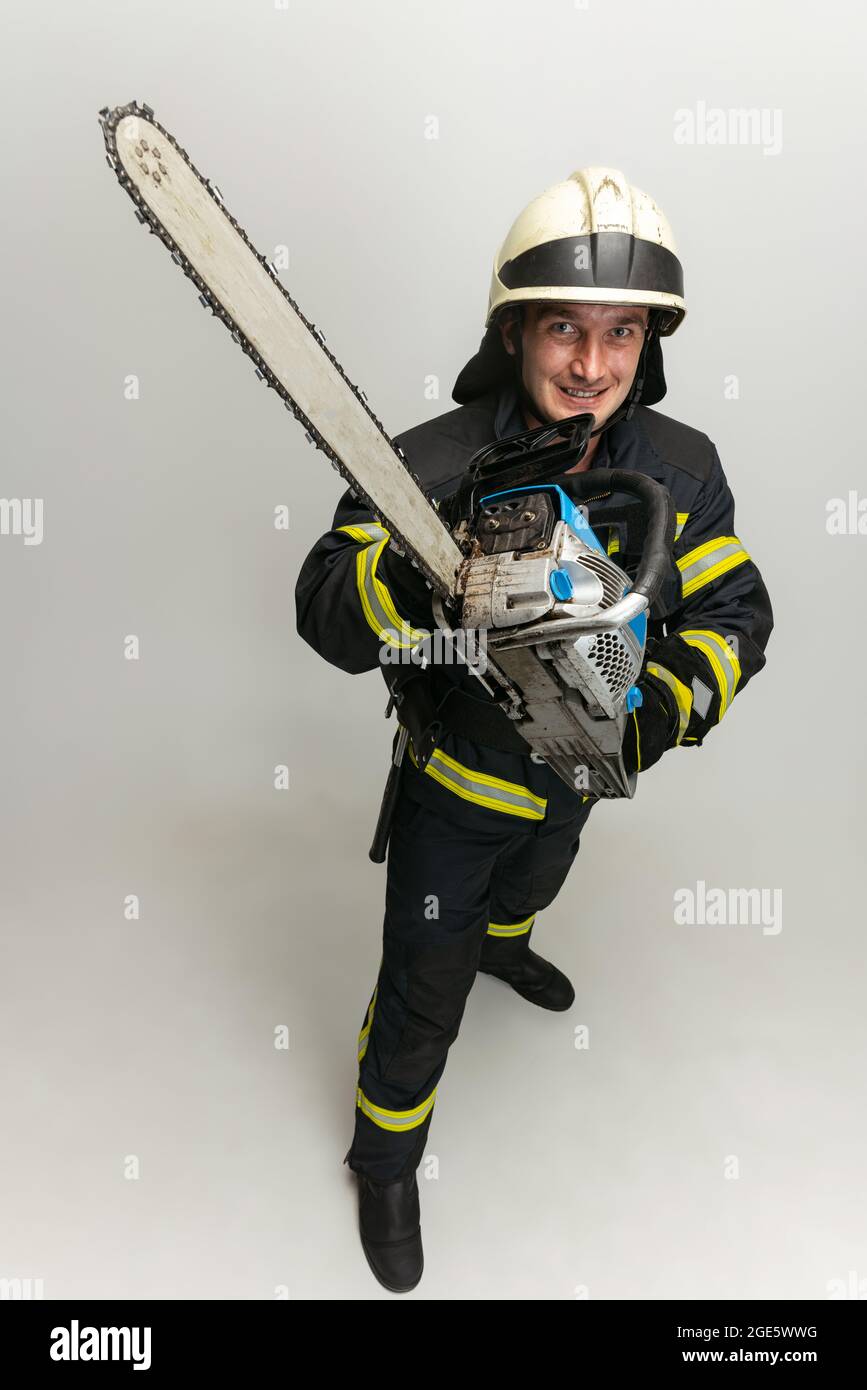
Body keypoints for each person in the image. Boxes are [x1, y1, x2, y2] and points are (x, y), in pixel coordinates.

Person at [294, 166, 773, 1293]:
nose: (591, 364)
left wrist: (652, 716)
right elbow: (323, 606)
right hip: (455, 783)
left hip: (583, 773)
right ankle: (387, 1155)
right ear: (514, 331)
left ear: (649, 343)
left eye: (620, 334)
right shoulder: (437, 457)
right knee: (424, 977)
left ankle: (509, 941)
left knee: (539, 877)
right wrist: (421, 578)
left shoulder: (679, 468)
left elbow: (736, 616)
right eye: (563, 327)